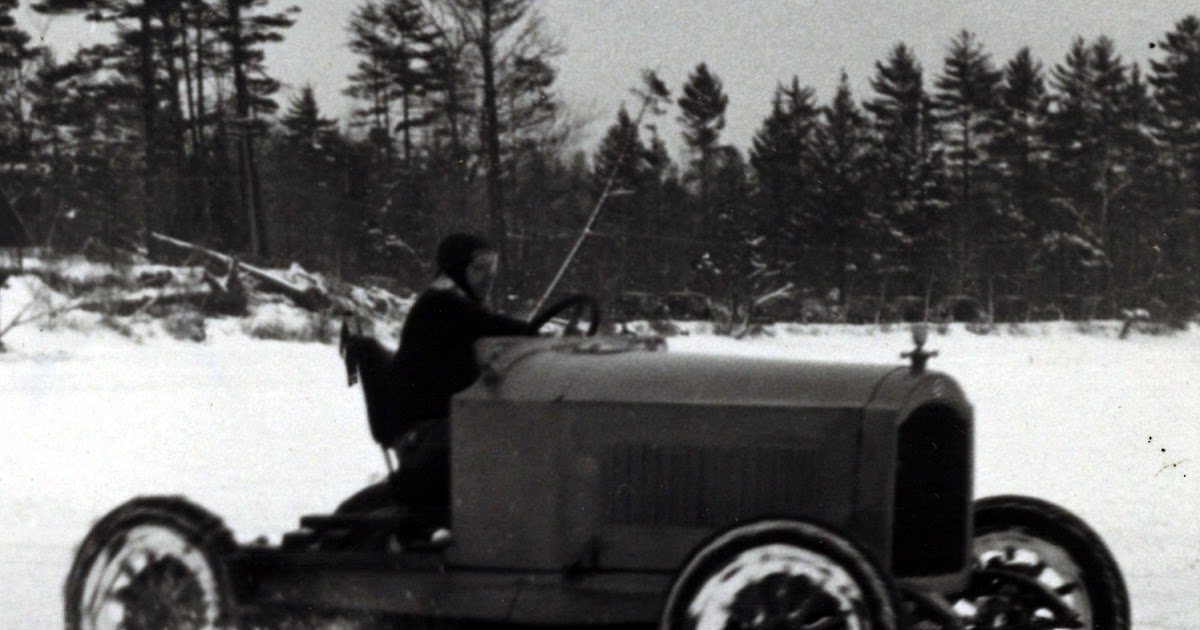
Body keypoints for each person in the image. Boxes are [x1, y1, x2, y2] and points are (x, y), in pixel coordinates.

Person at [338, 234, 535, 515]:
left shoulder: (457, 306)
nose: (489, 277)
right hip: (426, 431)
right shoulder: (440, 304)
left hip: (444, 422)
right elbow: (487, 325)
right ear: (457, 268)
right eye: (480, 267)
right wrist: (536, 333)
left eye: (493, 268)